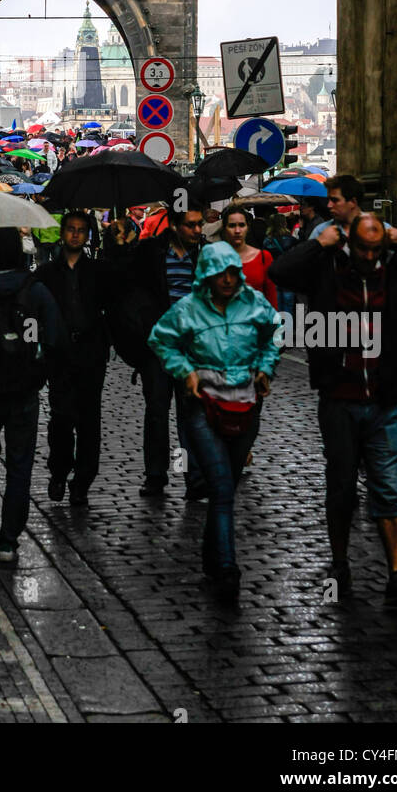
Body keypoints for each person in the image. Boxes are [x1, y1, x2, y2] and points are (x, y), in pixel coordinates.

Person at [270, 215, 397, 606]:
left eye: (377, 249)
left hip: (383, 401)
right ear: (349, 244)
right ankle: (340, 563)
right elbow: (280, 270)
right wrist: (317, 244)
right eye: (364, 249)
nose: (370, 256)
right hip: (339, 400)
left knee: (390, 490)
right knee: (342, 488)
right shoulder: (326, 273)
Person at [149, 243, 281, 601]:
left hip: (245, 407)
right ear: (206, 274)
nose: (226, 280)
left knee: (229, 485)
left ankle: (212, 556)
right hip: (202, 408)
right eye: (218, 273)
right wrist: (185, 371)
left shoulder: (254, 303)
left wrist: (266, 368)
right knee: (221, 486)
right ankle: (227, 568)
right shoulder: (188, 309)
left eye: (231, 273)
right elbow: (161, 340)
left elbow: (274, 334)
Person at [0, 228, 60, 565]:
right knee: (20, 464)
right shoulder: (34, 290)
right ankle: (9, 539)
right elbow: (50, 339)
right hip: (24, 388)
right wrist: (39, 373)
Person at [108, 203, 208, 499]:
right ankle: (156, 475)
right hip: (159, 346)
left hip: (191, 346)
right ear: (175, 226)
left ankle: (190, 475)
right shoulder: (151, 251)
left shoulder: (203, 253)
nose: (197, 230)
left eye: (200, 224)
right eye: (191, 225)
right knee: (157, 414)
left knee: (188, 414)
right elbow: (123, 280)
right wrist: (119, 246)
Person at [34, 210, 113, 506]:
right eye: (71, 229)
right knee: (61, 418)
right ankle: (59, 470)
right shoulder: (47, 274)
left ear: (88, 234)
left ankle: (82, 481)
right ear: (62, 232)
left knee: (89, 420)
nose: (76, 234)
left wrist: (119, 243)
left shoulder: (98, 272)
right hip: (59, 354)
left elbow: (122, 285)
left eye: (81, 229)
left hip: (91, 353)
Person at [219, 205, 278, 308]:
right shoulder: (215, 258)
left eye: (241, 225)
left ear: (248, 227)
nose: (237, 230)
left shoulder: (264, 257)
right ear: (224, 229)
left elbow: (272, 299)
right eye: (232, 225)